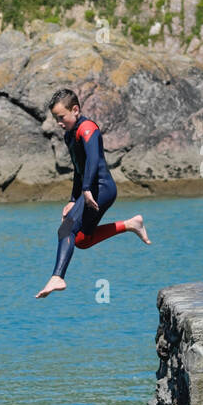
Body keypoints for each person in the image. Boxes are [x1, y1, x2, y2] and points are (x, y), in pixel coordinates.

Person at [36, 89, 150, 298]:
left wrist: (87, 190)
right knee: (82, 240)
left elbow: (93, 160)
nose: (59, 122)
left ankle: (57, 277)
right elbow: (79, 170)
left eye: (61, 117)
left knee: (66, 230)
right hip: (91, 189)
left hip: (101, 189)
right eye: (55, 119)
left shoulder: (87, 128)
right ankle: (131, 224)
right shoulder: (70, 135)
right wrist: (73, 199)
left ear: (75, 110)